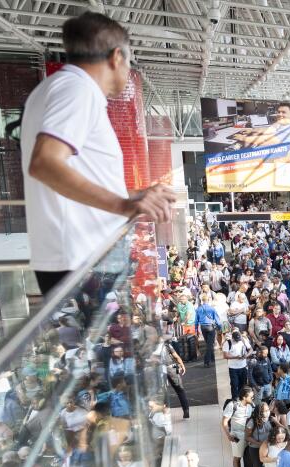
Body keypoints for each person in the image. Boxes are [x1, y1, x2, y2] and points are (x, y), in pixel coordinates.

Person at [22, 12, 174, 295]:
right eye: (129, 61)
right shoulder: (76, 90)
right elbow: (44, 163)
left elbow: (79, 176)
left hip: (80, 258)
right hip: (80, 261)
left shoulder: (60, 89)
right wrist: (123, 205)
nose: (128, 69)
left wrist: (134, 195)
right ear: (116, 57)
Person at [221, 387, 256, 467]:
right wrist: (228, 435)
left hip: (249, 435)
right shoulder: (232, 405)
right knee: (237, 458)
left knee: (250, 457)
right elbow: (224, 422)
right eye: (251, 397)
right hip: (237, 436)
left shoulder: (251, 405)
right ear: (244, 397)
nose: (252, 399)